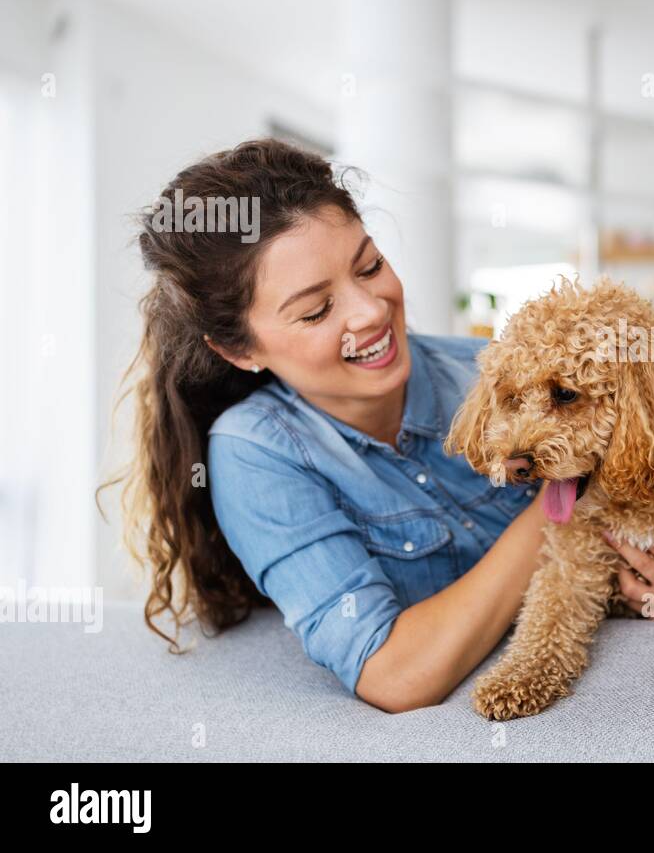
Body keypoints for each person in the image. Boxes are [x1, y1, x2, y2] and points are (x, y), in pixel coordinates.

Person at [109, 139, 552, 713]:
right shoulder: (256, 454)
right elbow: (393, 674)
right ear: (240, 351)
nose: (371, 310)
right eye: (316, 311)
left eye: (370, 266)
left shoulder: (497, 372)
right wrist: (565, 510)